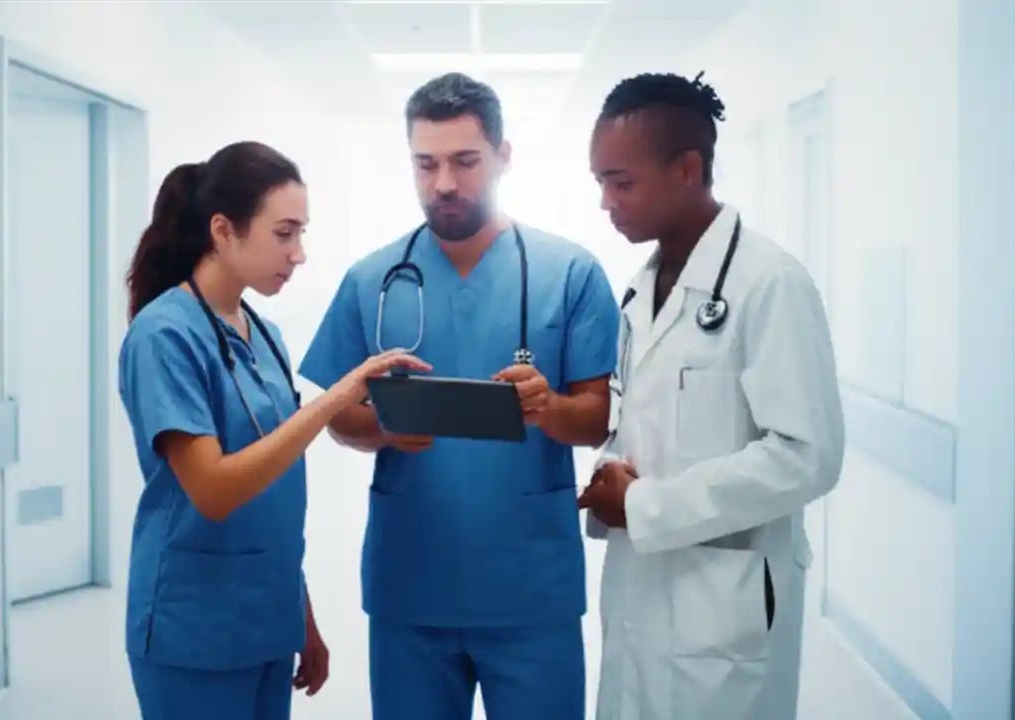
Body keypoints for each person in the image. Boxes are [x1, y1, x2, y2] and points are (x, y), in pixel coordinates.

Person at [297, 72, 621, 720]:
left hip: (530, 591)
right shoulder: (372, 280)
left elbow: (597, 420)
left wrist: (548, 408)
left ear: (504, 158)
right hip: (411, 586)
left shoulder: (570, 273)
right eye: (426, 163)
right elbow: (340, 420)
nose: (444, 181)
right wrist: (384, 430)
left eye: (465, 161)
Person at [117, 141, 430, 720]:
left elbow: (273, 496)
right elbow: (214, 490)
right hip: (195, 628)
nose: (299, 254)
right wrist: (335, 397)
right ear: (223, 231)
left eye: (301, 233)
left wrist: (299, 617)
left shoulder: (263, 335)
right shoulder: (164, 336)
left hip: (265, 622)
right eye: (284, 233)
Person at [579, 72, 846, 719]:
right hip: (645, 596)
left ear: (687, 169)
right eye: (600, 184)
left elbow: (807, 456)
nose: (607, 203)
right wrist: (611, 476)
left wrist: (644, 503)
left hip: (725, 607)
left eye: (622, 182)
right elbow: (649, 426)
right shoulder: (642, 291)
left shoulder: (770, 285)